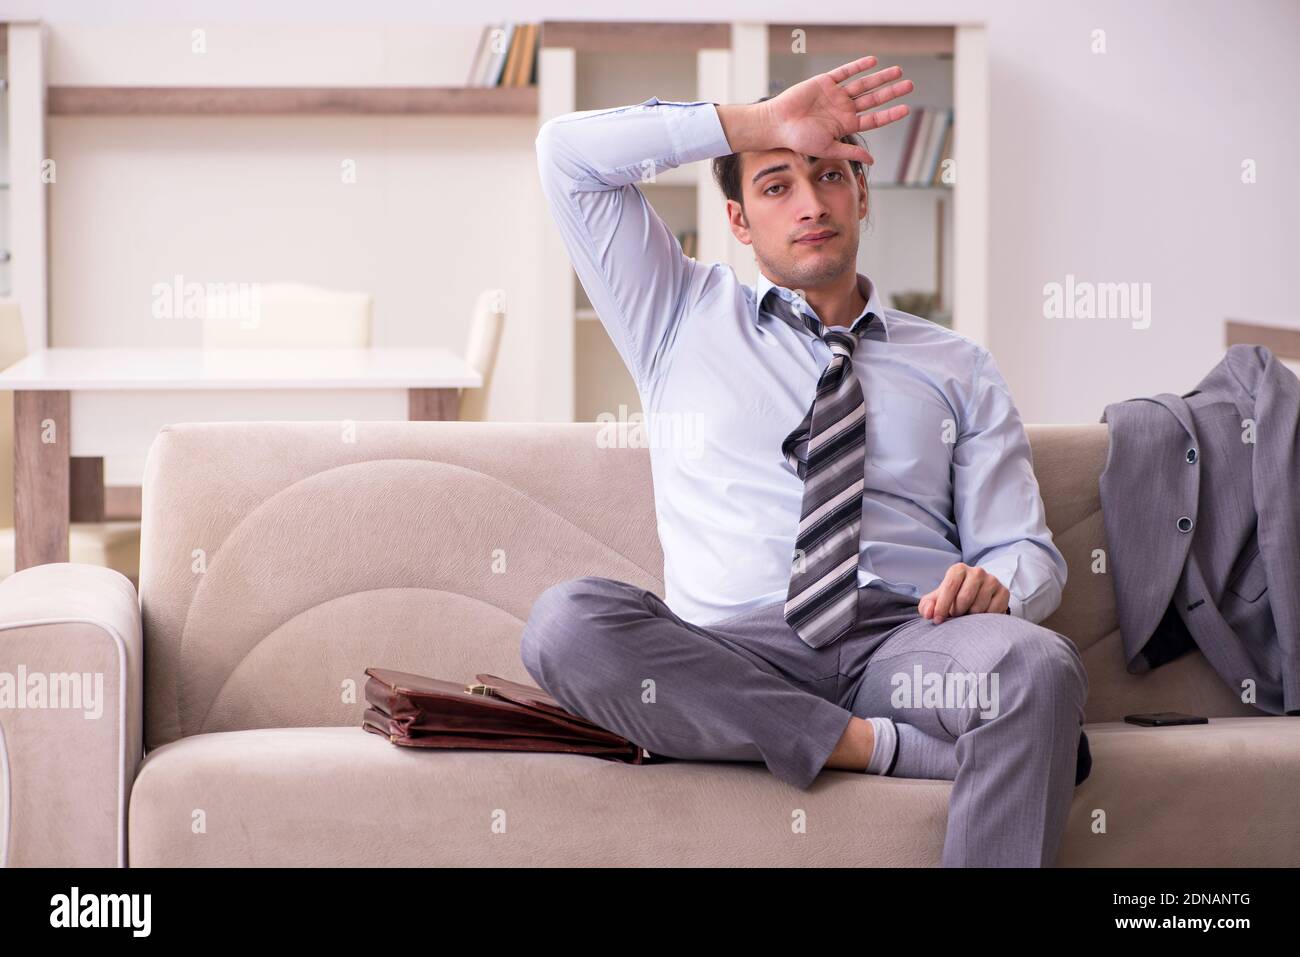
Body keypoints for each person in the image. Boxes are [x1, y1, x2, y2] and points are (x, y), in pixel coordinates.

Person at [523, 54, 1090, 867]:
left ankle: (833, 734)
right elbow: (565, 155)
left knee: (1035, 666)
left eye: (829, 174)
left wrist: (1001, 584)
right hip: (730, 651)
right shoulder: (673, 314)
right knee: (565, 625)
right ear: (739, 221)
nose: (812, 203)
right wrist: (758, 122)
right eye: (777, 183)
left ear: (863, 194)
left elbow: (1024, 547)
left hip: (905, 641)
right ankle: (876, 748)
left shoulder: (958, 365)